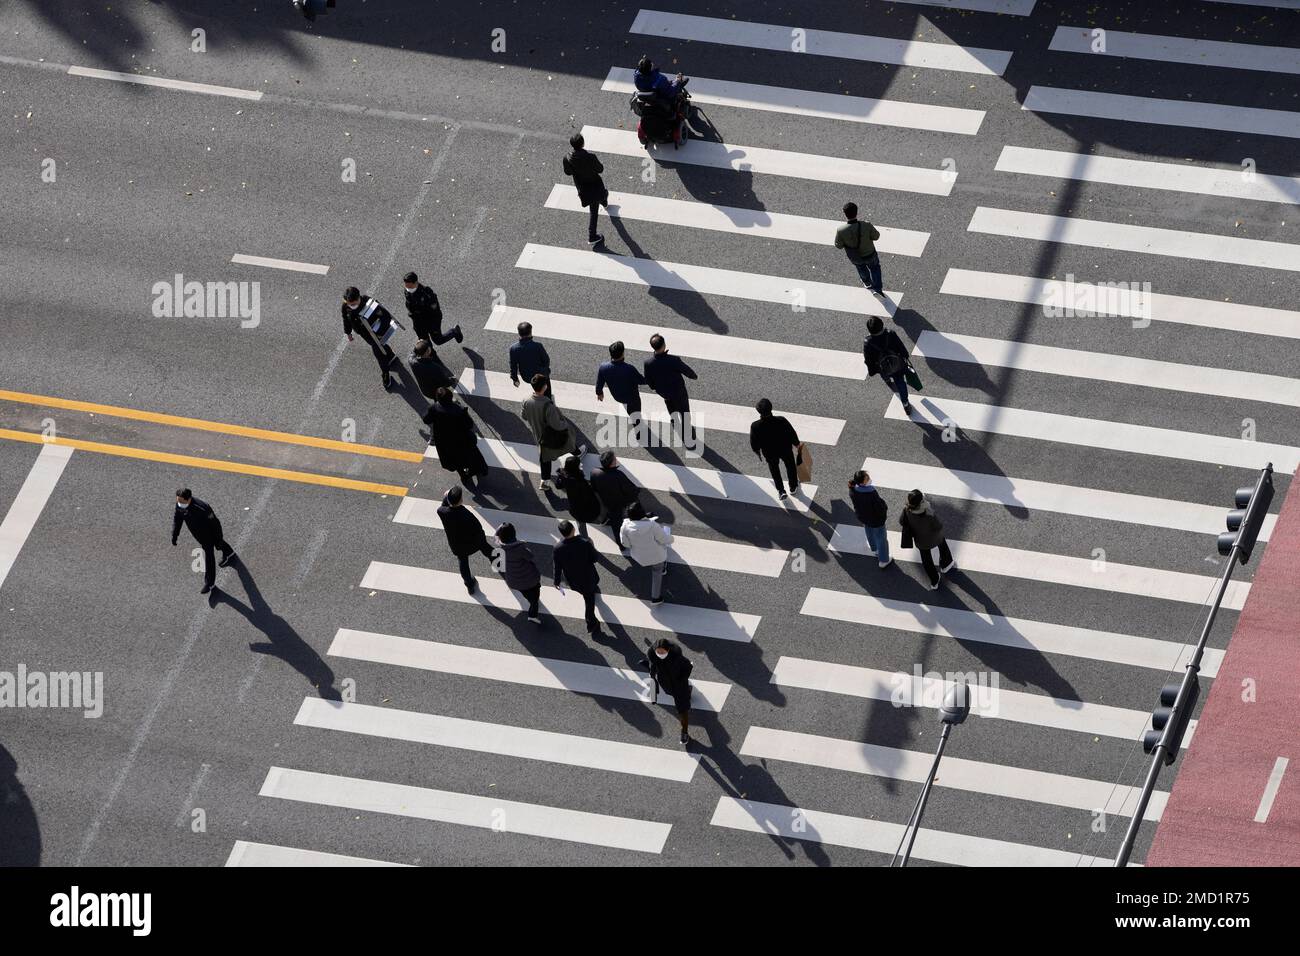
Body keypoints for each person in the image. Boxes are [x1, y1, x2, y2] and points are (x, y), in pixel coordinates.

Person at [521, 373, 581, 489]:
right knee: (568, 440)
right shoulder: (547, 405)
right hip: (550, 434)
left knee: (544, 457)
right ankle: (577, 453)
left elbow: (524, 416)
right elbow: (557, 425)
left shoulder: (526, 400)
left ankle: (545, 480)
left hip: (538, 434)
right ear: (544, 387)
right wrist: (566, 424)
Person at [171, 489, 235, 594]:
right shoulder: (180, 504)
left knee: (209, 557)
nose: (179, 504)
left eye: (181, 501)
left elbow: (216, 524)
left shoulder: (202, 508)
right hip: (199, 535)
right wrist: (174, 535)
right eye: (178, 501)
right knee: (218, 543)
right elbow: (177, 519)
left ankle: (209, 583)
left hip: (208, 535)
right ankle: (229, 552)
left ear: (189, 499)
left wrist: (218, 538)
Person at [423, 387, 488, 487]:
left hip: (444, 441)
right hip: (462, 439)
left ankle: (464, 476)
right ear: (451, 397)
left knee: (455, 461)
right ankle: (473, 471)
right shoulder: (459, 410)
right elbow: (469, 424)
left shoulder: (434, 408)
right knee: (470, 456)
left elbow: (426, 420)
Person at [437, 485, 495, 594]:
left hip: (457, 545)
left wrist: (446, 498)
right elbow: (479, 529)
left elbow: (443, 506)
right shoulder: (467, 515)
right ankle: (497, 563)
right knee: (488, 549)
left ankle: (469, 585)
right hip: (474, 543)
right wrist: (482, 541)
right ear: (461, 500)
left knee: (463, 564)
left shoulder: (442, 512)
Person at [341, 286, 399, 389]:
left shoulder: (369, 303)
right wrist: (348, 333)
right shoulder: (346, 306)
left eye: (354, 303)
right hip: (365, 335)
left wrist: (380, 334)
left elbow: (385, 316)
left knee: (379, 354)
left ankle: (385, 374)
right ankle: (390, 355)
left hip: (377, 333)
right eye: (350, 304)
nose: (352, 306)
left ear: (359, 297)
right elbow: (346, 320)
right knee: (381, 347)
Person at [643, 333, 696, 441]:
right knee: (684, 411)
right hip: (679, 392)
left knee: (670, 406)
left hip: (664, 392)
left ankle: (674, 421)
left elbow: (649, 380)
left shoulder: (648, 363)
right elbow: (688, 372)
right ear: (664, 345)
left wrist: (656, 388)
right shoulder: (674, 360)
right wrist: (694, 376)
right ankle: (687, 430)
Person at [899, 489, 955, 590]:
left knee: (926, 560)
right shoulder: (928, 512)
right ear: (921, 502)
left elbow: (902, 522)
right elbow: (938, 526)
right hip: (934, 538)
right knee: (943, 545)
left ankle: (934, 581)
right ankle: (946, 564)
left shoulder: (906, 510)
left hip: (921, 541)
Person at [552, 519, 601, 634]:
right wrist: (592, 546)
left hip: (573, 580)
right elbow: (594, 559)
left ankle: (591, 621)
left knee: (586, 594)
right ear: (573, 529)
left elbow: (557, 567)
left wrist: (556, 581)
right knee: (589, 600)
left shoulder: (558, 548)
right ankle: (591, 623)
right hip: (588, 577)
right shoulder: (584, 543)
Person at [642, 637, 694, 746]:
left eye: (663, 651)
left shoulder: (677, 657)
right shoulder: (653, 656)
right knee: (671, 693)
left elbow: (688, 666)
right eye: (658, 651)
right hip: (665, 683)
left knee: (682, 709)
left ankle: (684, 732)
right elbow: (652, 667)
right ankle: (688, 691)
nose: (660, 653)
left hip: (679, 684)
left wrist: (683, 679)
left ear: (668, 650)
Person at [619, 502, 672, 606]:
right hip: (657, 556)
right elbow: (664, 539)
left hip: (639, 556)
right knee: (657, 571)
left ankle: (657, 598)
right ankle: (655, 597)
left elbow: (625, 543)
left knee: (656, 565)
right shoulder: (652, 525)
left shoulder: (625, 526)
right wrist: (671, 538)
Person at [563, 132, 610, 247]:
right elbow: (600, 169)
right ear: (583, 144)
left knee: (598, 200)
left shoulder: (567, 158)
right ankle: (592, 236)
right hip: (595, 184)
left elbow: (568, 172)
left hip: (583, 187)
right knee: (594, 211)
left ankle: (604, 199)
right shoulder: (591, 157)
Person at [749, 398, 801, 500]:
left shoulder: (755, 426)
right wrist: (797, 444)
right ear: (771, 408)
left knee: (774, 470)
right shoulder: (781, 420)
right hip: (785, 448)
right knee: (790, 466)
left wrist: (757, 451)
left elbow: (754, 442)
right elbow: (791, 433)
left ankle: (781, 490)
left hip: (769, 452)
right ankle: (793, 486)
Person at [863, 316, 913, 414]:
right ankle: (906, 404)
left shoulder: (868, 342)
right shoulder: (891, 334)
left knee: (885, 374)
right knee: (900, 383)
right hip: (897, 365)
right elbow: (901, 348)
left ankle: (887, 380)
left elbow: (868, 360)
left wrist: (872, 370)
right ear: (882, 325)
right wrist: (905, 356)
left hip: (882, 367)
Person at [835, 201, 885, 298]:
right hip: (870, 253)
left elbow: (838, 245)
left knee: (861, 267)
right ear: (857, 212)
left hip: (855, 256)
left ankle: (867, 283)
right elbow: (876, 236)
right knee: (875, 268)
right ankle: (878, 289)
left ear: (844, 214)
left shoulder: (841, 230)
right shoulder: (866, 225)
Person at [495, 523, 542, 624]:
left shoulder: (500, 547)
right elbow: (531, 557)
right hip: (530, 578)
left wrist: (501, 527)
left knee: (526, 593)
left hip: (514, 581)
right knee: (535, 598)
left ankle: (531, 600)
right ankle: (532, 615)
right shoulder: (520, 548)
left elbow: (496, 535)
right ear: (514, 534)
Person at [403, 271, 463, 347]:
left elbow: (435, 311)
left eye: (410, 286)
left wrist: (434, 325)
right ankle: (431, 356)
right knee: (425, 345)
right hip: (418, 323)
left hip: (431, 322)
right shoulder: (407, 291)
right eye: (406, 286)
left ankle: (454, 332)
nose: (407, 288)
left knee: (438, 340)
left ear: (416, 283)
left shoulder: (427, 293)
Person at [590, 450, 640, 541]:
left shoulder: (594, 472)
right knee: (620, 520)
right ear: (612, 463)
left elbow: (594, 487)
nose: (616, 459)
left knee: (615, 524)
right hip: (619, 502)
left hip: (606, 501)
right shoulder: (618, 475)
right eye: (615, 458)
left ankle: (620, 542)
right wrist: (636, 491)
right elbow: (630, 489)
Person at [596, 340, 646, 425]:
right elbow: (641, 380)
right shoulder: (629, 369)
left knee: (629, 408)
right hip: (632, 398)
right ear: (623, 353)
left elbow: (599, 382)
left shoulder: (603, 367)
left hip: (617, 396)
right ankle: (639, 429)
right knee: (635, 414)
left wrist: (599, 393)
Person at [849, 470, 891, 568]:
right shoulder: (871, 493)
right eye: (867, 478)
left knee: (869, 532)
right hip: (876, 520)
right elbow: (880, 507)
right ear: (862, 482)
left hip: (864, 517)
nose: (869, 479)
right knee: (881, 538)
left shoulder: (853, 490)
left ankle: (874, 549)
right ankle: (884, 560)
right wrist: (884, 508)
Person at [553, 454, 602, 539]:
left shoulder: (566, 477)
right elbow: (588, 492)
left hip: (576, 507)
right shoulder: (579, 478)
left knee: (581, 523)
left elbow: (558, 486)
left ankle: (584, 538)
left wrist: (560, 475)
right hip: (588, 505)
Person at [509, 321, 551, 396]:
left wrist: (515, 379)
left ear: (519, 333)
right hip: (541, 375)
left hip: (527, 377)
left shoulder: (513, 348)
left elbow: (513, 365)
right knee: (547, 393)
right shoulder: (538, 346)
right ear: (530, 333)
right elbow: (546, 360)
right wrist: (546, 371)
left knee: (536, 386)